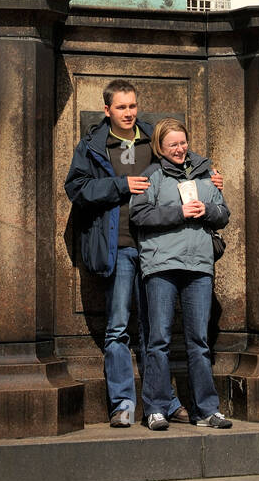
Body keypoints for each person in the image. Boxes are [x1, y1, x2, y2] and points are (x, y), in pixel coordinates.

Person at [64, 79, 223, 427]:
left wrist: (210, 177)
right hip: (118, 247)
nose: (128, 113)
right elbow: (75, 188)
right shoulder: (93, 144)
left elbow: (184, 157)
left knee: (157, 332)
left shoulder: (151, 139)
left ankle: (164, 402)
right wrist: (121, 185)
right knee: (119, 327)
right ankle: (122, 403)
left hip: (157, 249)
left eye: (132, 106)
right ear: (107, 110)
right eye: (121, 107)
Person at [130, 118, 232, 430]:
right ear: (160, 148)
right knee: (158, 339)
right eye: (172, 144)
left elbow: (224, 213)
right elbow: (138, 214)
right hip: (161, 265)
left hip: (199, 266)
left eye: (183, 142)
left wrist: (208, 210)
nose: (179, 148)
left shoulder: (206, 174)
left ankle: (205, 410)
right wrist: (178, 212)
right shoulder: (152, 176)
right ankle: (156, 408)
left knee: (199, 341)